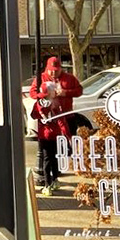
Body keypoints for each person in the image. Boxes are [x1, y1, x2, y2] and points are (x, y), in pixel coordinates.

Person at [28, 56, 82, 185]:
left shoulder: (69, 78)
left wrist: (65, 93)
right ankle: (50, 174)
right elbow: (32, 94)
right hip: (49, 122)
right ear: (47, 68)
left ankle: (65, 168)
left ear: (60, 68)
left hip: (66, 115)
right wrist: (45, 95)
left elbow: (79, 91)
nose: (53, 73)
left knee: (67, 145)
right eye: (51, 70)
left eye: (56, 70)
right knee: (49, 151)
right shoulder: (41, 78)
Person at [30, 81, 71, 196]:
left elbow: (33, 115)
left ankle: (47, 185)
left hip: (44, 135)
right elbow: (62, 121)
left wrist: (40, 115)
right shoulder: (56, 104)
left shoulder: (39, 104)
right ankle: (55, 180)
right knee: (54, 158)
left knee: (46, 160)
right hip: (55, 135)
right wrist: (68, 136)